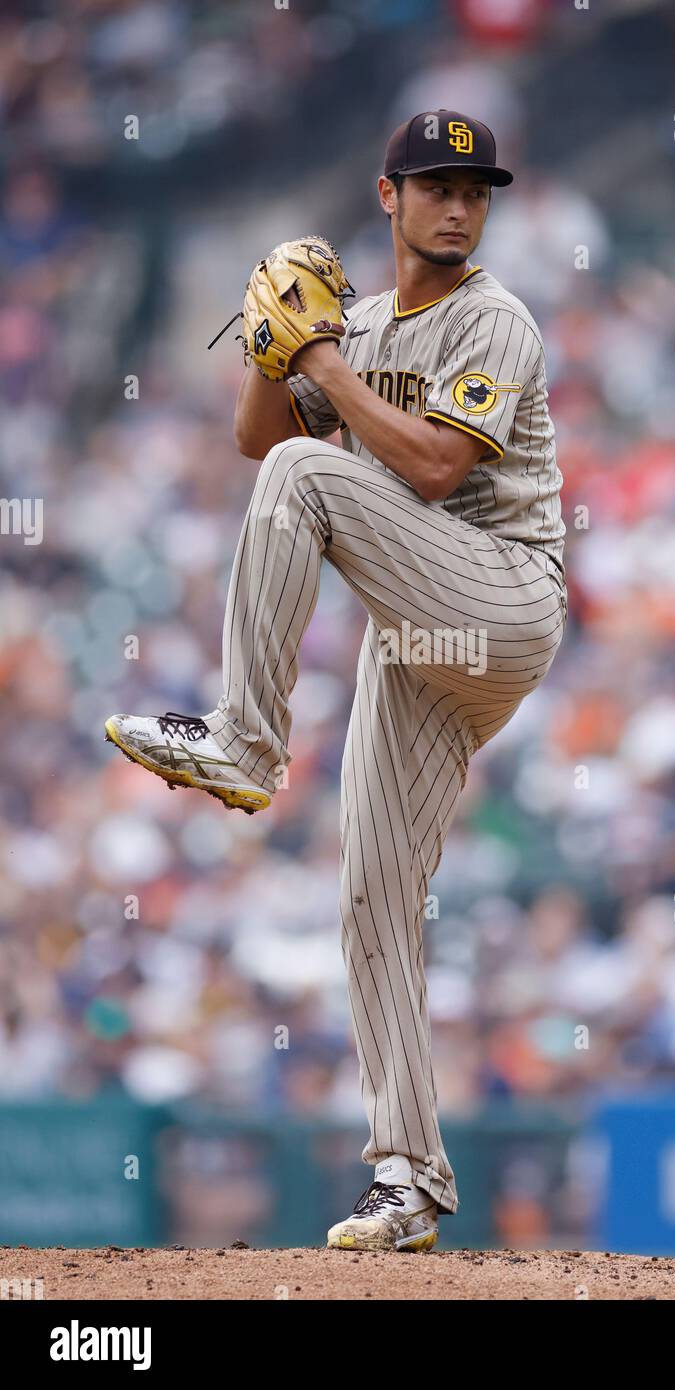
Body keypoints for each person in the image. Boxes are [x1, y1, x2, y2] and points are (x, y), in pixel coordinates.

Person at [105, 109, 567, 1252]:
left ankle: (249, 743)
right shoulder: (353, 326)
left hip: (504, 598)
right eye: (434, 184)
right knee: (371, 897)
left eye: (474, 187)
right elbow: (257, 441)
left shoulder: (496, 320)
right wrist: (273, 348)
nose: (457, 204)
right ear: (387, 198)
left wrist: (317, 362)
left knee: (321, 471)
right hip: (417, 634)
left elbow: (432, 463)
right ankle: (408, 1174)